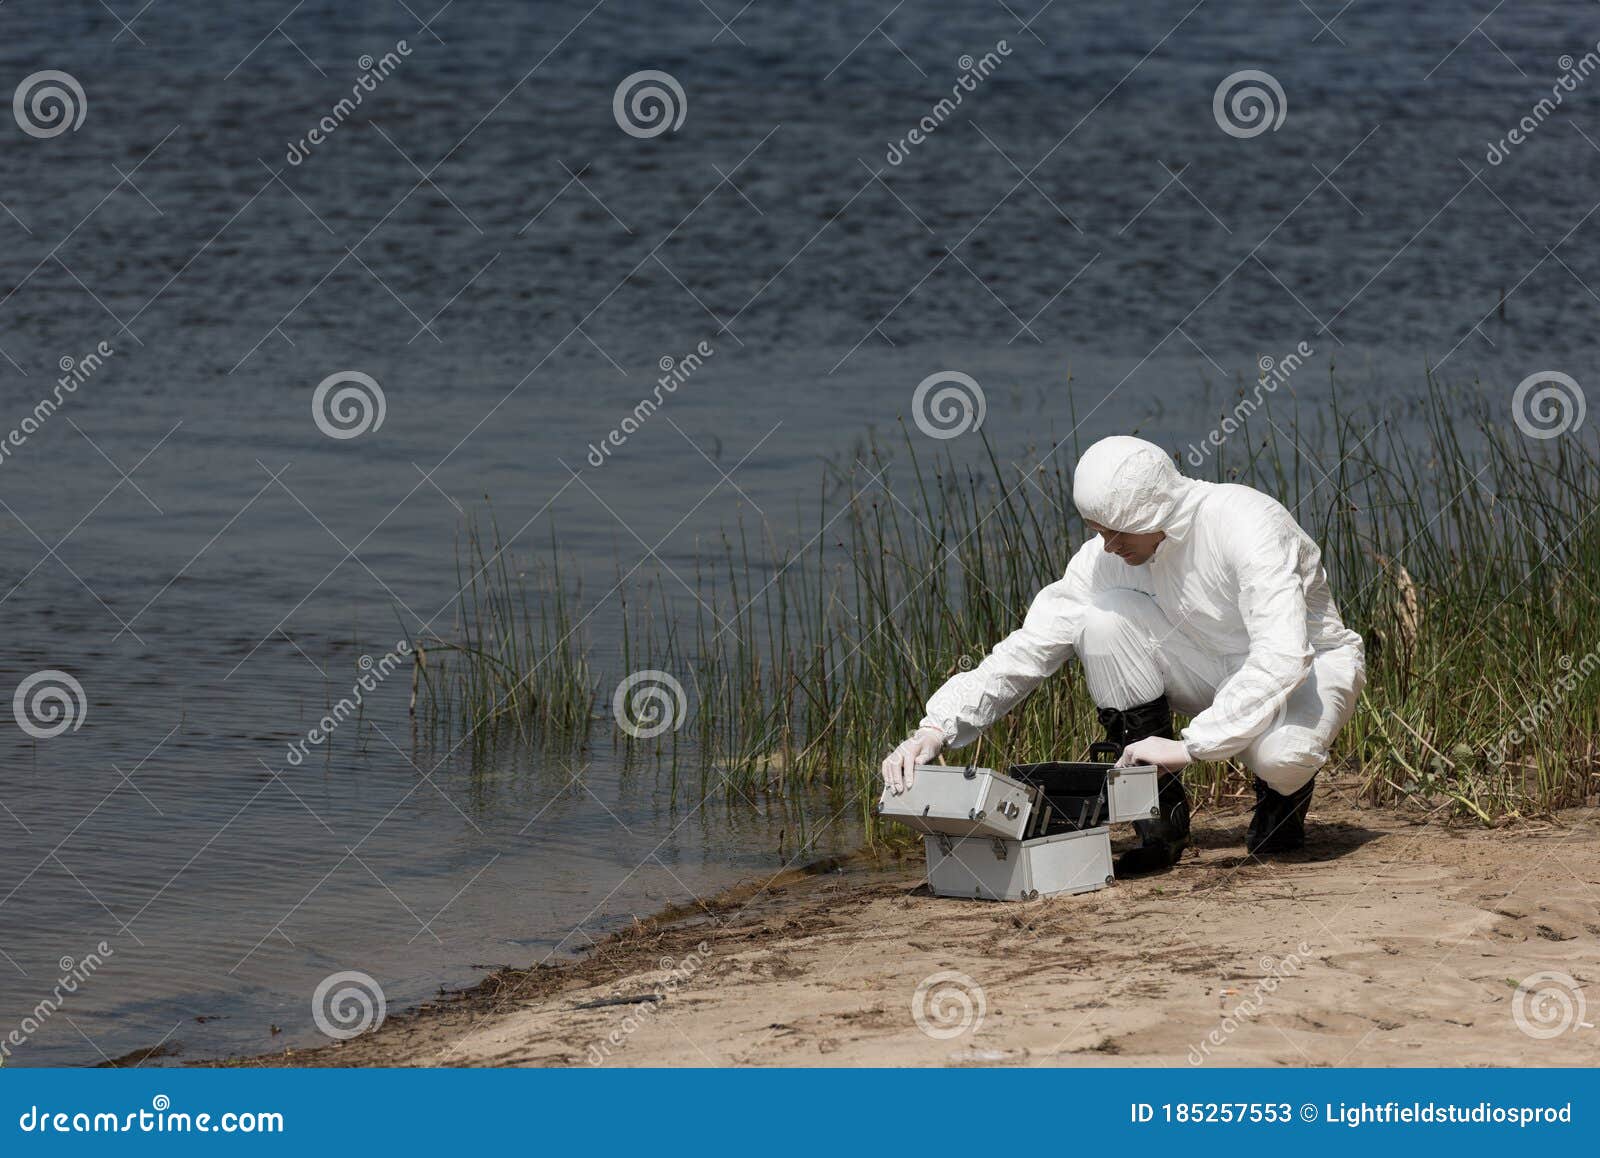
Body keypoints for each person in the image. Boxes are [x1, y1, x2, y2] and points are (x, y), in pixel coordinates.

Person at [880, 435, 1365, 874]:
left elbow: (1282, 655)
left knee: (1282, 758)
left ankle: (1284, 796)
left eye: (1117, 531)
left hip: (1309, 668)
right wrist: (935, 728)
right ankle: (1159, 816)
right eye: (1097, 530)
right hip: (1209, 667)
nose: (1107, 546)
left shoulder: (1247, 522)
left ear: (1152, 513)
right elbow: (1027, 649)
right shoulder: (1109, 556)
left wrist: (1190, 747)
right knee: (1101, 620)